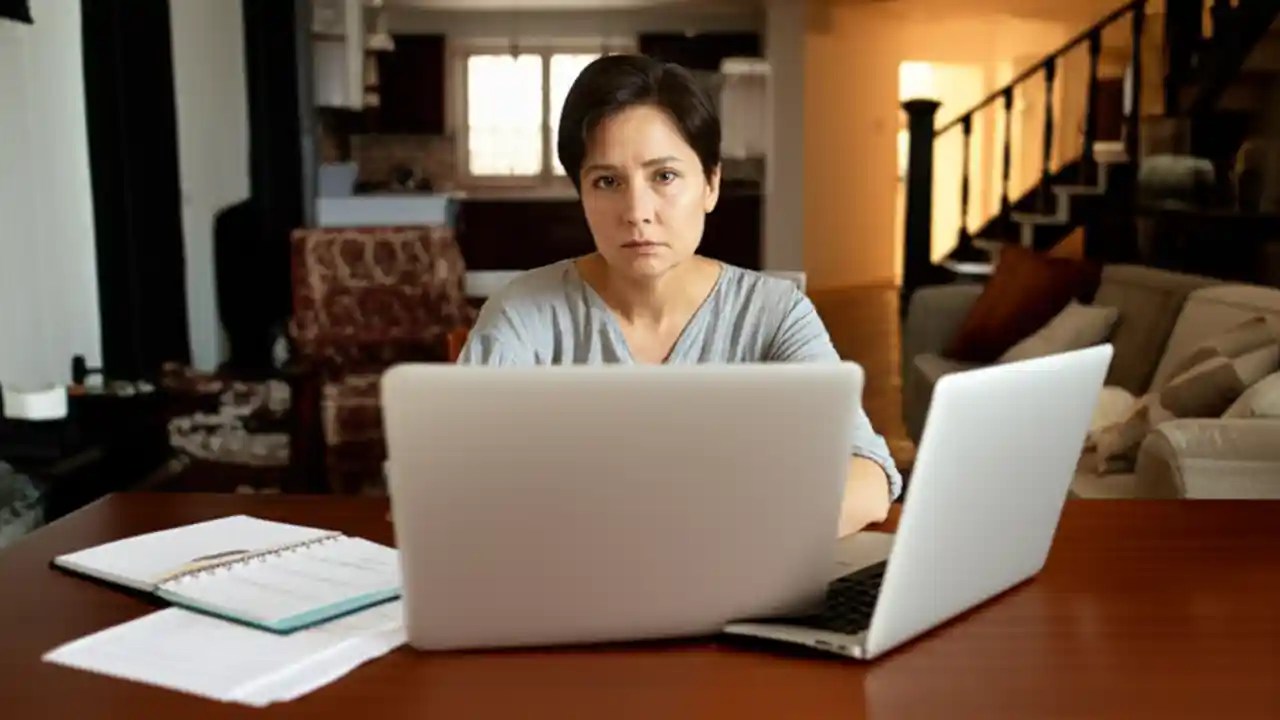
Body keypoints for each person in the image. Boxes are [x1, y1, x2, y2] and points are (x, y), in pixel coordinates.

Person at [457, 54, 901, 536]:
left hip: (736, 568)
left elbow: (866, 475)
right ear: (581, 195)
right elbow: (455, 478)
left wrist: (717, 534)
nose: (637, 211)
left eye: (664, 176)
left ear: (711, 184)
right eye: (607, 182)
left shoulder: (774, 314)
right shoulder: (523, 315)